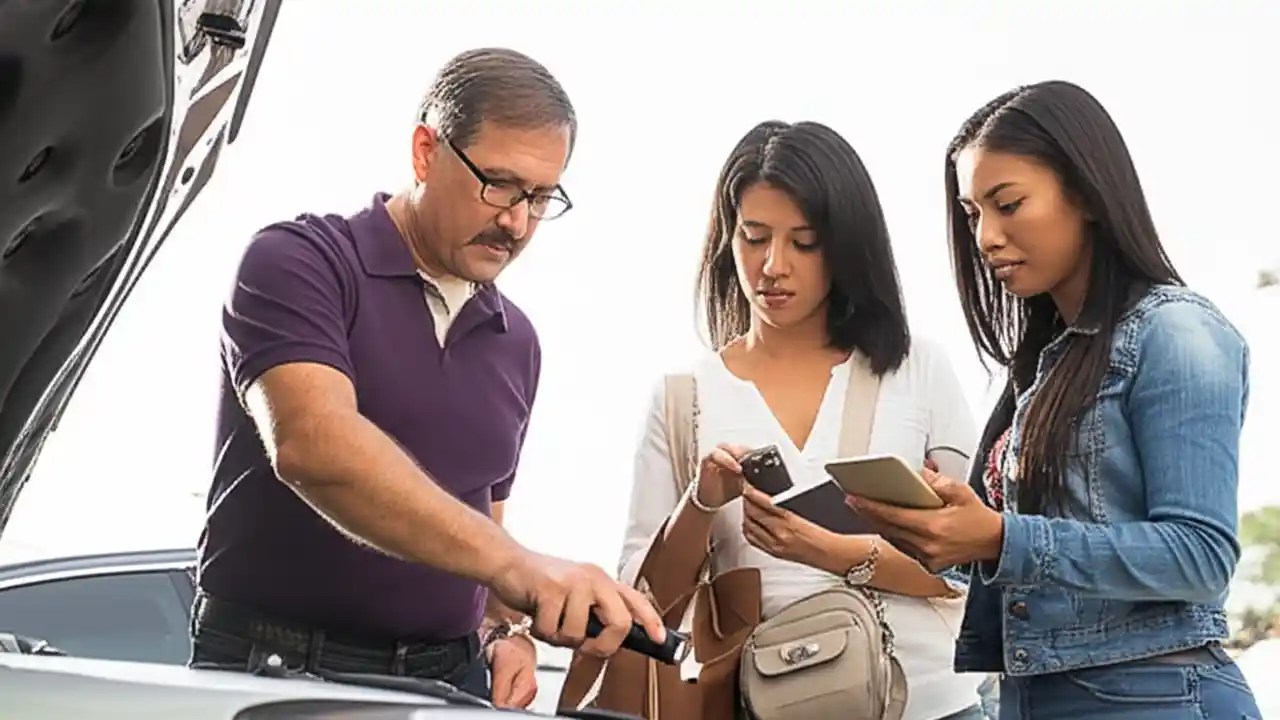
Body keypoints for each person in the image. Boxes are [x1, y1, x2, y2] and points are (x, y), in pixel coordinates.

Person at [191, 47, 664, 709]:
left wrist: (507, 629)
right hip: (275, 669)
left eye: (540, 196)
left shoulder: (517, 342)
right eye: (498, 184)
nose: (517, 222)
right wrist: (521, 567)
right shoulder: (299, 264)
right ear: (424, 151)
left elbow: (480, 531)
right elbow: (313, 447)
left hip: (447, 681)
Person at [846, 80, 1261, 718]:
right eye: (971, 212)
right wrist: (946, 527)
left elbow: (1199, 557)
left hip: (1152, 697)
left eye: (1007, 203)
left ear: (1088, 194)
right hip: (1036, 696)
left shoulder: (1176, 332)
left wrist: (1001, 538)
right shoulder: (1044, 365)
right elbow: (1029, 559)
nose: (984, 237)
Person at [615, 121, 987, 719]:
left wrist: (837, 552)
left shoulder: (917, 368)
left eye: (804, 242)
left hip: (929, 703)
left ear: (844, 246)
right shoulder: (685, 398)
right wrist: (702, 503)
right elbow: (642, 604)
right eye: (754, 237)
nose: (773, 266)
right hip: (771, 703)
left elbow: (977, 572)